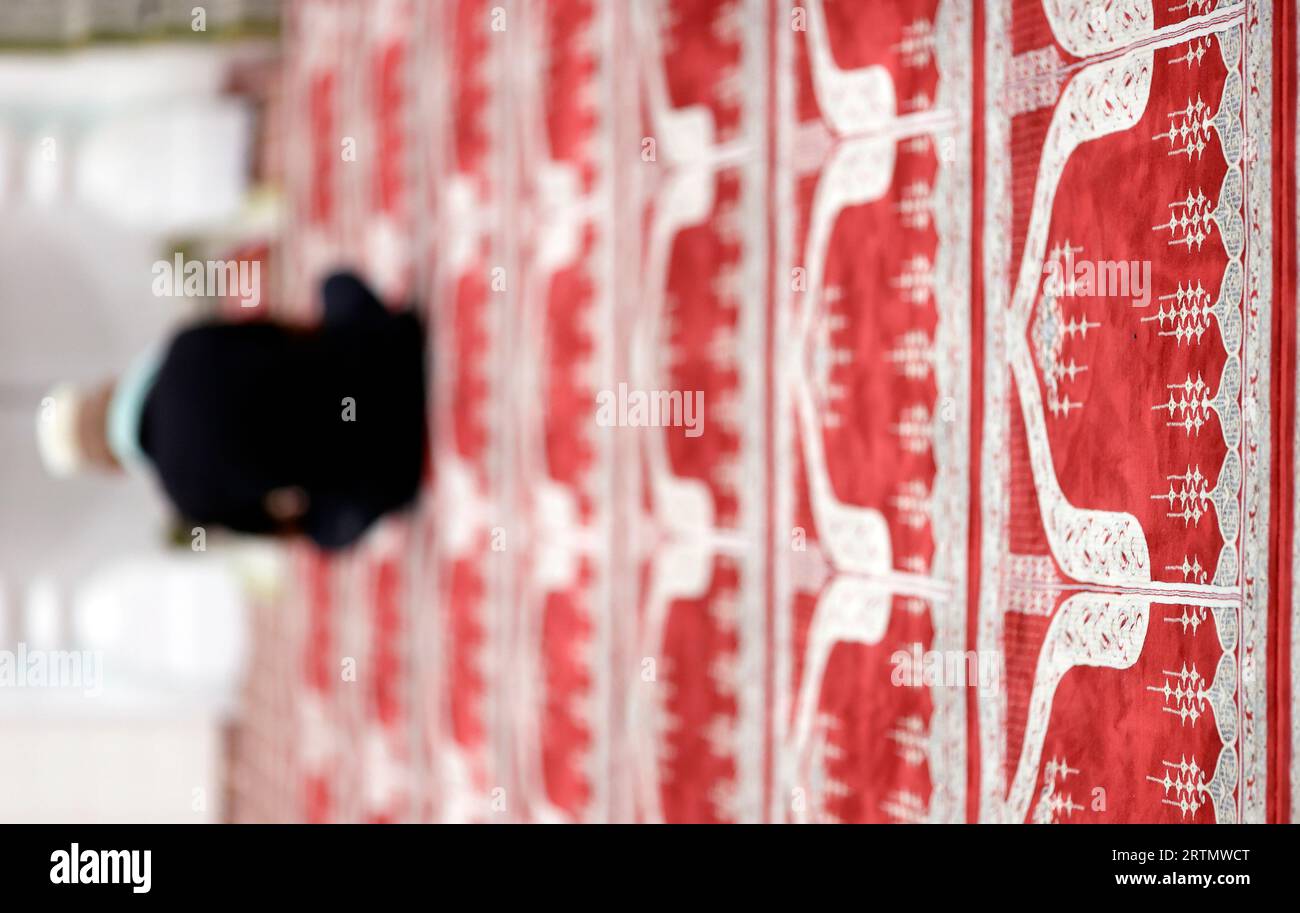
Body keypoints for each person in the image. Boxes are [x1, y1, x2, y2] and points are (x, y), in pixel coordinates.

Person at [36, 272, 427, 550]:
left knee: (327, 530)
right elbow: (288, 331)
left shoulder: (184, 498)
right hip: (390, 355)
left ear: (112, 468)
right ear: (106, 387)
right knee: (334, 284)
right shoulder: (183, 345)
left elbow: (285, 525)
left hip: (392, 467)